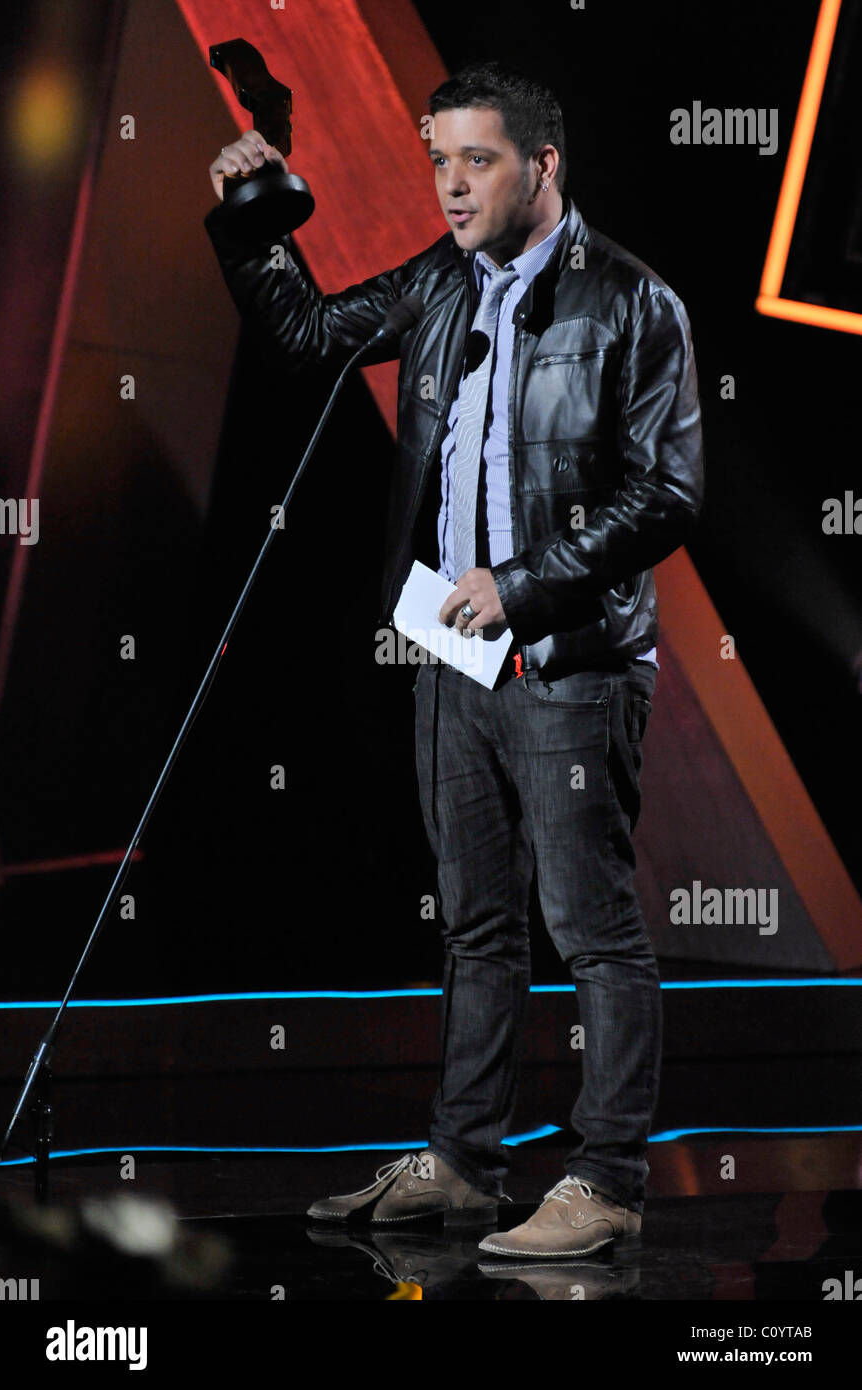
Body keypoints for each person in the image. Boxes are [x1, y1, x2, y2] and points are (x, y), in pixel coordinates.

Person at [205, 60, 704, 1258]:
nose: (450, 186)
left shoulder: (631, 302)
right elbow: (307, 333)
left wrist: (521, 586)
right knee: (475, 926)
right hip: (447, 654)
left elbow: (669, 493)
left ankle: (605, 1179)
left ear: (542, 166)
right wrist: (253, 218)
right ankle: (466, 1162)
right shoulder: (442, 280)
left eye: (474, 161)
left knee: (589, 930)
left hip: (567, 660)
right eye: (438, 161)